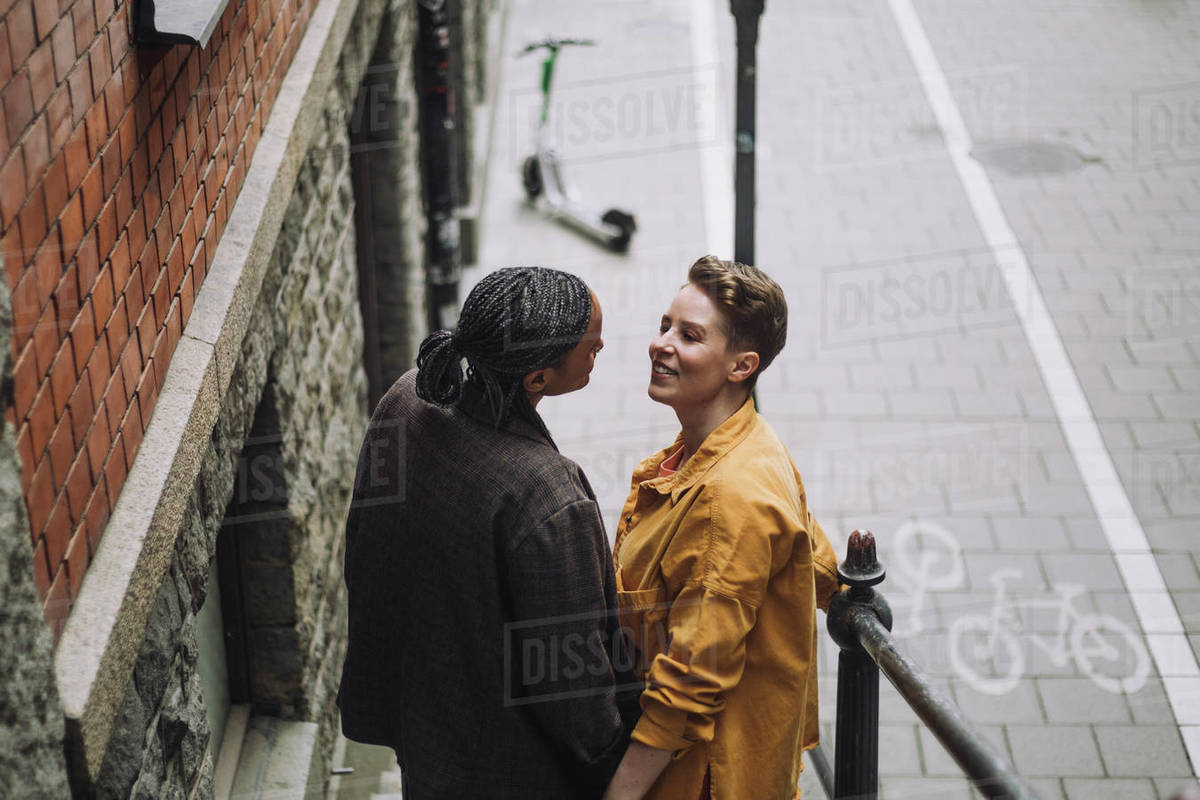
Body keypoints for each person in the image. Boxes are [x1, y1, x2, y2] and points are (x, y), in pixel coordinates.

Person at [338, 267, 639, 800]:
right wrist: (612, 756)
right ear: (537, 379)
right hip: (508, 768)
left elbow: (363, 541)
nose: (601, 350)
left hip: (423, 731)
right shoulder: (546, 493)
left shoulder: (408, 395)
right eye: (590, 347)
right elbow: (569, 673)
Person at [602, 256, 841, 800]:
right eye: (665, 325)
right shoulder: (747, 442)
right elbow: (806, 543)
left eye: (689, 335)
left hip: (702, 780)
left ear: (741, 366)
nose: (662, 344)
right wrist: (845, 587)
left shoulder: (726, 500)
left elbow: (688, 684)